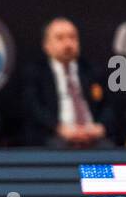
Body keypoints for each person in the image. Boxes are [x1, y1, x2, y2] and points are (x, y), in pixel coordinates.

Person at [21, 18, 117, 147]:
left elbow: (109, 106)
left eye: (72, 37)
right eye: (60, 38)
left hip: (92, 135)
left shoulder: (92, 71)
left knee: (110, 150)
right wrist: (59, 128)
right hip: (55, 135)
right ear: (46, 45)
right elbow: (33, 108)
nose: (68, 44)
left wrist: (100, 127)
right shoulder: (35, 73)